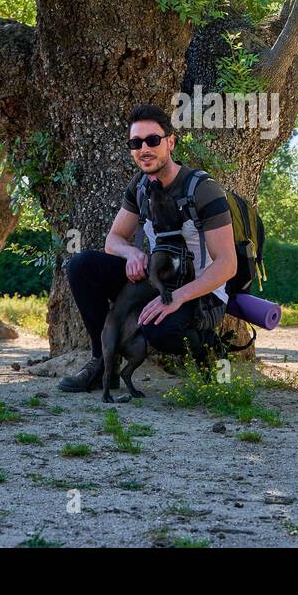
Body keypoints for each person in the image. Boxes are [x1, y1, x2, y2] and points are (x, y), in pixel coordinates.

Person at [58, 104, 236, 392]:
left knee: (160, 330)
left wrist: (178, 297)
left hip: (202, 294)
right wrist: (132, 253)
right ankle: (103, 362)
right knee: (82, 266)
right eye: (136, 143)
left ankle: (210, 350)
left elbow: (227, 264)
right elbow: (114, 239)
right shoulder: (139, 187)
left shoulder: (202, 189)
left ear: (170, 142)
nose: (144, 148)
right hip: (160, 280)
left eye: (153, 140)